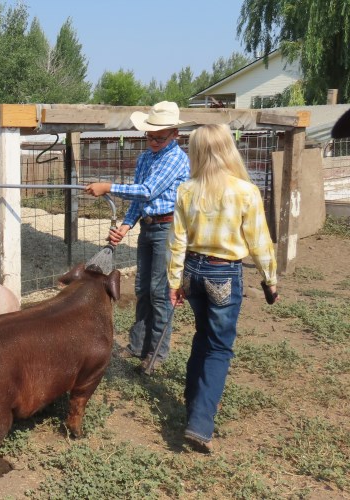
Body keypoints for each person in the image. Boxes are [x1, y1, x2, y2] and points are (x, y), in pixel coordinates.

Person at [167, 123, 277, 454]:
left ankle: (193, 402)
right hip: (224, 274)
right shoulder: (245, 191)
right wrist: (270, 278)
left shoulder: (187, 190)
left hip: (192, 271)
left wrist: (174, 282)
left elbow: (177, 242)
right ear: (228, 149)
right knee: (219, 346)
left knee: (203, 337)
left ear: (197, 151)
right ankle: (200, 423)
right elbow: (260, 242)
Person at [84, 101, 193, 370]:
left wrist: (108, 186)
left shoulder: (176, 158)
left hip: (168, 228)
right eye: (150, 135)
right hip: (148, 226)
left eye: (159, 137)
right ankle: (138, 344)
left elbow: (147, 191)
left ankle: (155, 353)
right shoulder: (146, 157)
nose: (153, 141)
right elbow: (139, 198)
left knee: (158, 291)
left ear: (174, 135)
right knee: (143, 288)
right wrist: (127, 225)